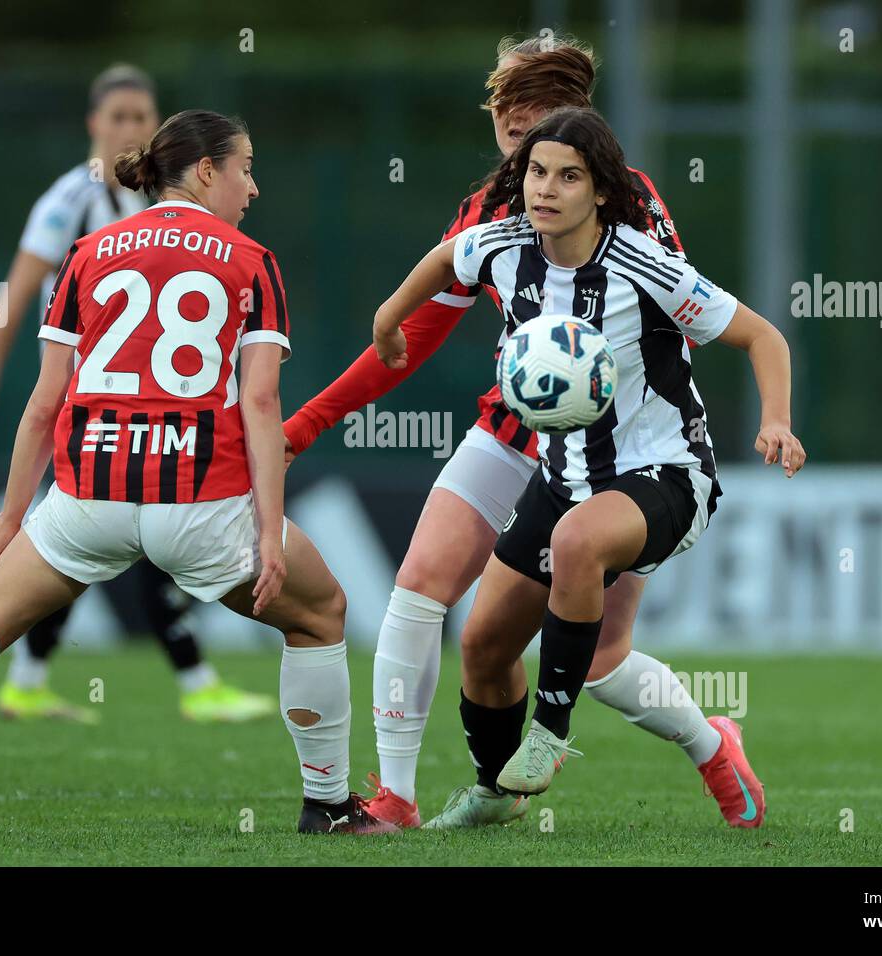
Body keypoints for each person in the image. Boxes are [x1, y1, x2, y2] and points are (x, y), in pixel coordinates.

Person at [0, 110, 392, 836]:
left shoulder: (90, 251)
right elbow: (258, 403)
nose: (253, 187)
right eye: (246, 167)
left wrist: (8, 517)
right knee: (321, 615)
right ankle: (327, 807)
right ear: (206, 170)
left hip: (87, 495)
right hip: (198, 502)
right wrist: (270, 533)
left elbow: (43, 403)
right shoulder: (252, 260)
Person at [284, 36, 741, 829]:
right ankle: (396, 797)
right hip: (510, 435)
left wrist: (584, 372)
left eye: (534, 112)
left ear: (577, 119)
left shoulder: (627, 200)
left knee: (602, 661)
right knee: (421, 588)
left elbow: (682, 323)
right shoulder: (490, 208)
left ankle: (712, 744)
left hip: (618, 451)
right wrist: (307, 423)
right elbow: (413, 333)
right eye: (506, 110)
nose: (516, 128)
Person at [370, 107, 805, 826]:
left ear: (601, 190)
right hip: (564, 477)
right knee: (482, 646)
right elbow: (447, 260)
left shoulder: (645, 265)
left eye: (569, 176)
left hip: (667, 473)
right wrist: (390, 317)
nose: (546, 188)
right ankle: (494, 793)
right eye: (537, 172)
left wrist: (777, 421)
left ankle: (550, 733)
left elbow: (762, 336)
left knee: (578, 545)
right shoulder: (504, 246)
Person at [0, 64, 272, 724]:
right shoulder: (71, 200)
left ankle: (35, 679)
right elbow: (13, 297)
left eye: (141, 117)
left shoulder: (154, 205)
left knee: (102, 536)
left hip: (149, 396)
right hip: (85, 394)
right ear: (94, 124)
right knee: (126, 526)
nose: (129, 128)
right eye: (118, 117)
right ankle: (190, 680)